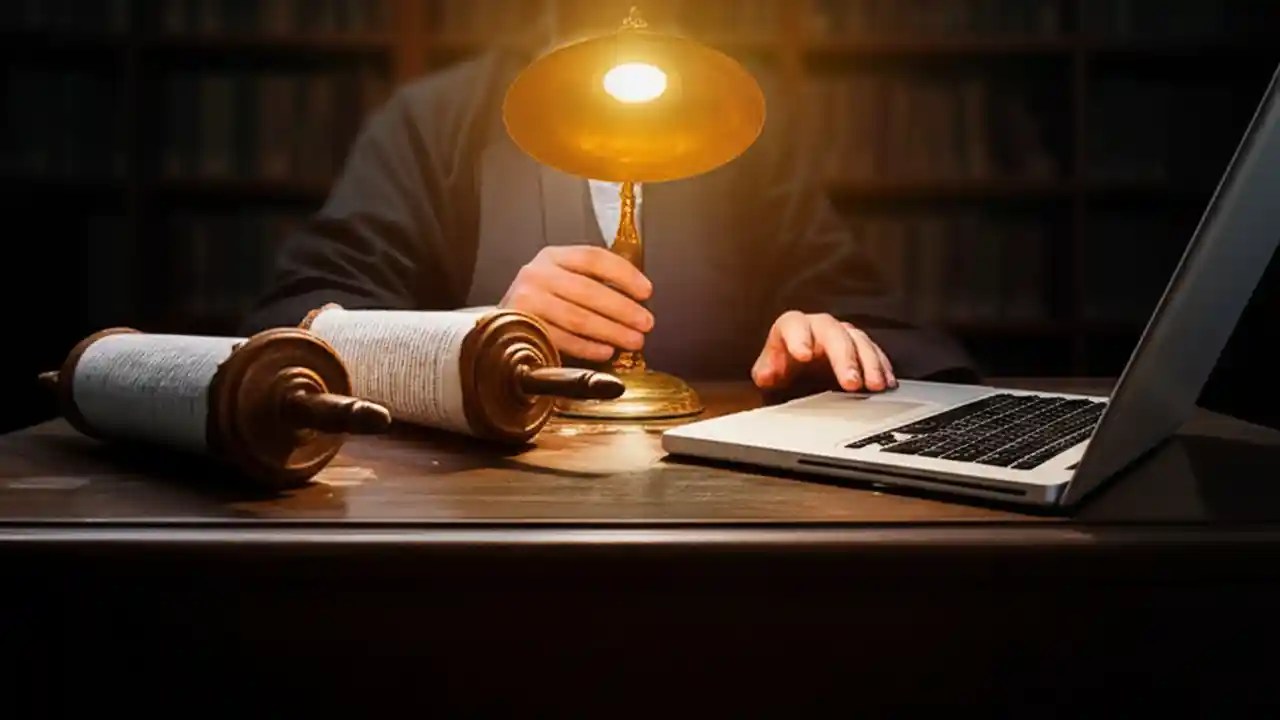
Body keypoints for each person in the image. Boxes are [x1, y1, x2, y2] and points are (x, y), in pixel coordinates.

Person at [239, 9, 979, 396]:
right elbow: (299, 325)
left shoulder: (741, 127)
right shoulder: (440, 121)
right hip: (483, 521)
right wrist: (481, 336)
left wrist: (820, 344)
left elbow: (865, 320)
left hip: (717, 521)